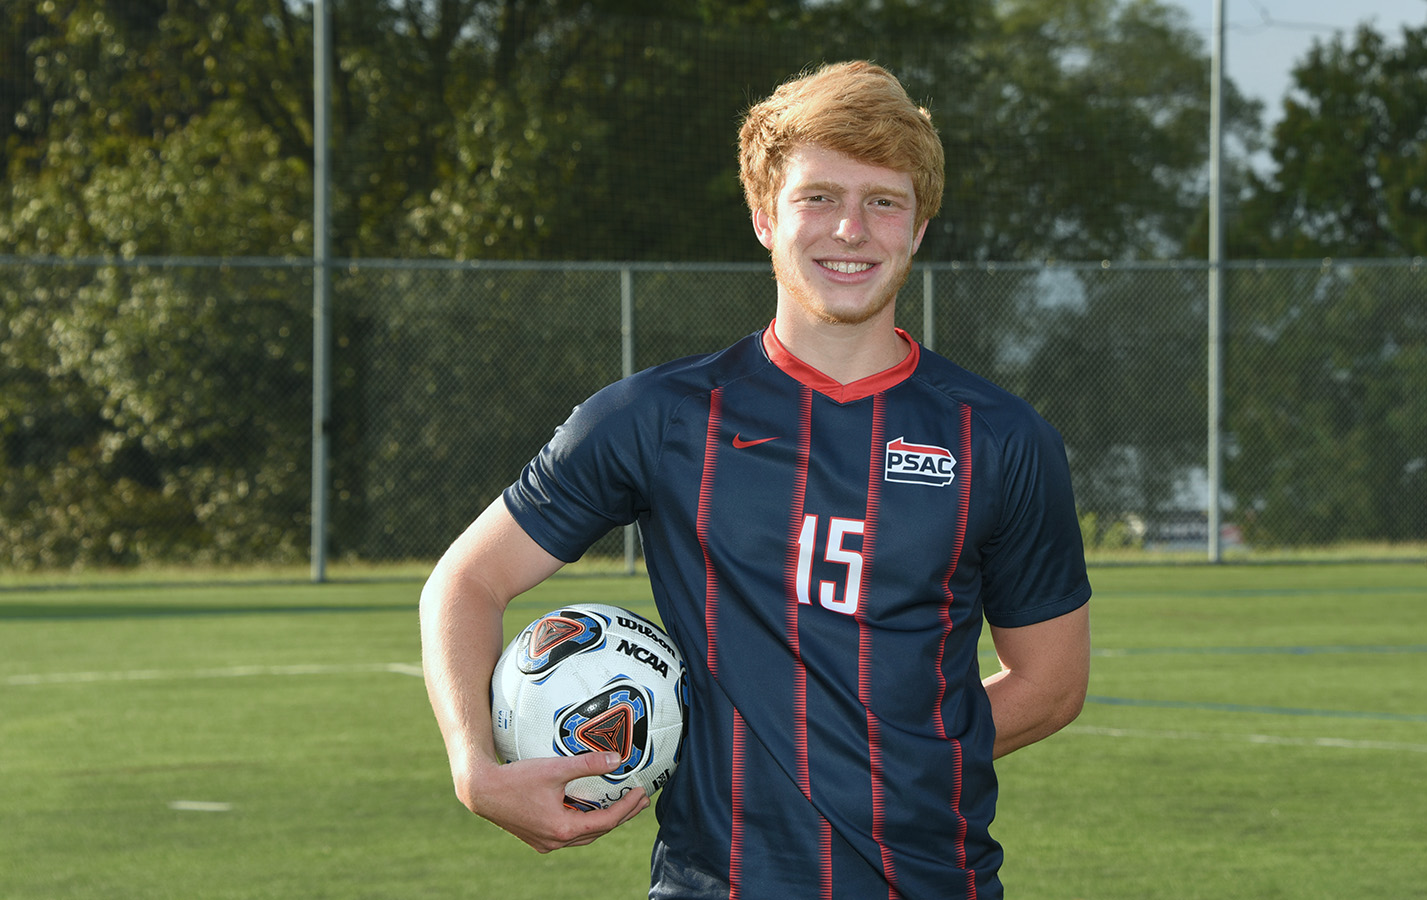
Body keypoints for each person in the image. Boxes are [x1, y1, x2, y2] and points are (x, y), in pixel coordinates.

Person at [420, 60, 1092, 899]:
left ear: (918, 228)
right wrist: (474, 766)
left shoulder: (1001, 439)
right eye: (819, 196)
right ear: (764, 216)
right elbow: (468, 580)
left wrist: (900, 753)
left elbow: (1051, 684)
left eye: (884, 202)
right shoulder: (658, 418)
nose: (850, 229)